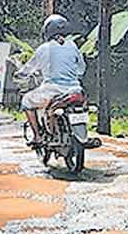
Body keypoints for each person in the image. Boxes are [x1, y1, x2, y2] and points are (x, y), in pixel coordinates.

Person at [16, 14, 85, 145]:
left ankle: (37, 136)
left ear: (47, 30)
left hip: (52, 90)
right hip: (75, 89)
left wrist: (20, 75)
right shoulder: (73, 46)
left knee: (26, 101)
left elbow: (28, 68)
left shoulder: (44, 48)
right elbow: (81, 68)